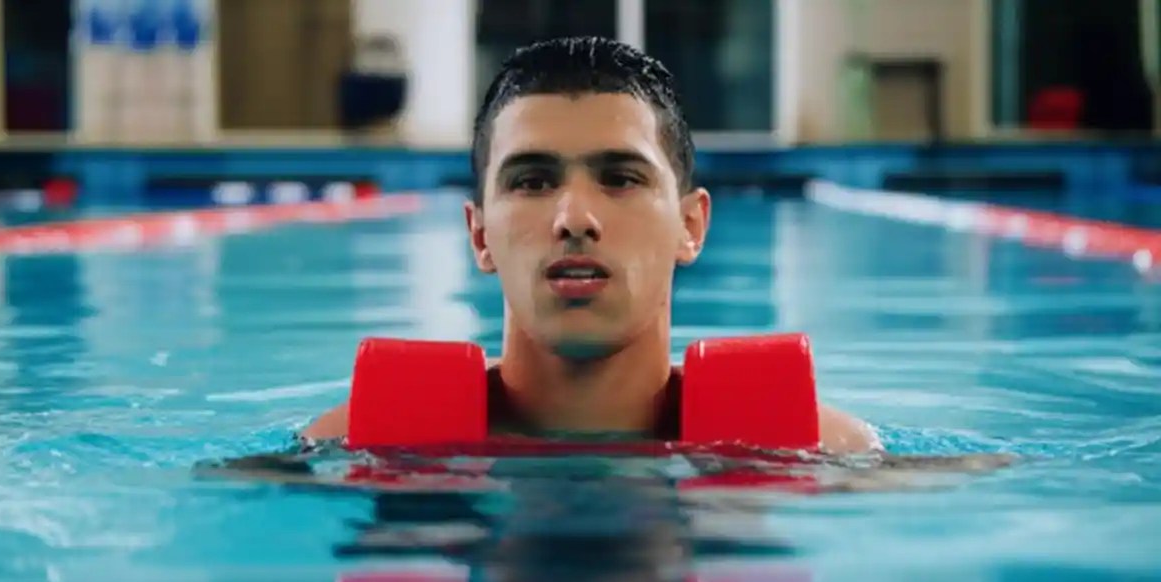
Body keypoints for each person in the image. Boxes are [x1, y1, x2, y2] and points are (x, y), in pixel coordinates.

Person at [304, 36, 880, 454]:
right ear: (479, 235)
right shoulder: (346, 447)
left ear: (691, 226)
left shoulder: (833, 452)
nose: (574, 217)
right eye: (532, 181)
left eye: (621, 178)